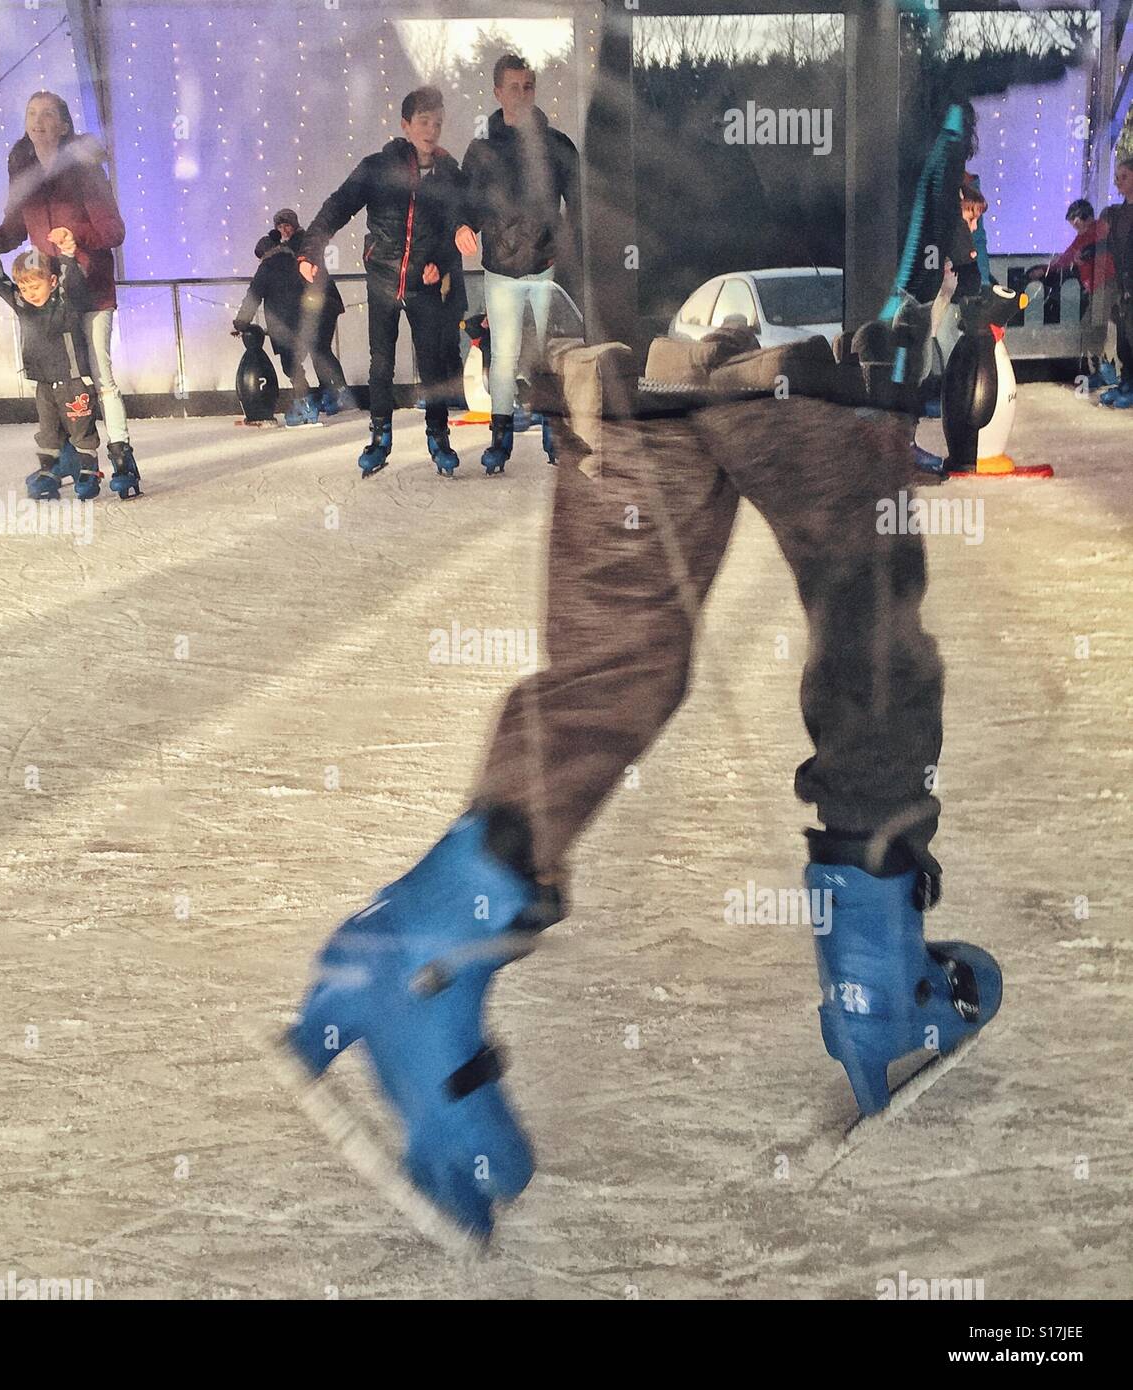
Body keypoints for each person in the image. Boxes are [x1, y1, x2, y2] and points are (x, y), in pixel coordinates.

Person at [283, 103, 1003, 1245]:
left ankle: (417, 957)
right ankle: (881, 985)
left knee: (610, 666)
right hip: (815, 327)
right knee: (870, 636)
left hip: (622, 338)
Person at [0, 91, 138, 498]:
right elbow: (15, 228)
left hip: (91, 290)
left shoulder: (83, 169)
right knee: (52, 378)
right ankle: (64, 455)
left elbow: (114, 231)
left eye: (47, 114)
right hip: (49, 300)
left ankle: (121, 458)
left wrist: (74, 237)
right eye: (31, 113)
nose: (38, 120)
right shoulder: (24, 169)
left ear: (64, 125)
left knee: (99, 376)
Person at [297, 87, 464, 477]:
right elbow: (339, 204)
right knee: (381, 364)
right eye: (423, 121)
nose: (431, 130)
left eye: (437, 122)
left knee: (434, 364)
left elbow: (456, 227)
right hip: (384, 280)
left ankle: (439, 437)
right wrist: (311, 249)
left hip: (423, 285)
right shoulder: (378, 167)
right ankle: (379, 437)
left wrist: (440, 262)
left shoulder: (449, 172)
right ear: (406, 125)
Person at [455, 54, 582, 473]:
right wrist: (462, 226)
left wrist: (572, 249)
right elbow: (465, 203)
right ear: (497, 92)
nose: (522, 94)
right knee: (505, 356)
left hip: (546, 265)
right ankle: (501, 439)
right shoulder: (482, 151)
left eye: (528, 86)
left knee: (549, 353)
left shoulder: (557, 146)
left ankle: (553, 433)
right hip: (501, 268)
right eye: (514, 87)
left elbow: (580, 205)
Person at [0, 233, 115, 500]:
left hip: (74, 381)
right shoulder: (22, 305)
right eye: (25, 288)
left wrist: (67, 252)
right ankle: (49, 471)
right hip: (44, 383)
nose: (30, 294)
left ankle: (89, 471)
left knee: (81, 429)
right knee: (48, 431)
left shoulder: (66, 301)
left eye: (36, 286)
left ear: (52, 282)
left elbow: (73, 279)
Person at [233, 219, 321, 427]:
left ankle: (306, 406)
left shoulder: (267, 268)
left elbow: (252, 297)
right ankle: (305, 403)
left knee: (291, 366)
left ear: (263, 253)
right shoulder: (294, 262)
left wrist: (241, 322)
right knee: (295, 364)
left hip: (283, 324)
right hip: (303, 320)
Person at [268, 209, 357, 416]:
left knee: (320, 349)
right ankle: (333, 391)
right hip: (321, 302)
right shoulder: (298, 242)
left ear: (294, 224)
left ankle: (339, 392)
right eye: (280, 227)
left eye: (286, 225)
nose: (284, 230)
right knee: (319, 349)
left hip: (323, 302)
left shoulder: (299, 243)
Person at [1027, 198, 1117, 391]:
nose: (1075, 226)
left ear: (1082, 217)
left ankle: (1105, 370)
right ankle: (1101, 370)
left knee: (1095, 326)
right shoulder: (1084, 236)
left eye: (1075, 221)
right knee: (1091, 326)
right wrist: (1045, 269)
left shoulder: (1099, 230)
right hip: (1097, 288)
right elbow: (1066, 257)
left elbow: (1106, 247)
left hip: (1106, 285)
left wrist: (1087, 253)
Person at [1094, 159, 1133, 407]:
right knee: (1124, 338)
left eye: (1125, 176)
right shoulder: (1118, 214)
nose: (1118, 181)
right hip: (1123, 285)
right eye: (1117, 176)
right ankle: (1126, 381)